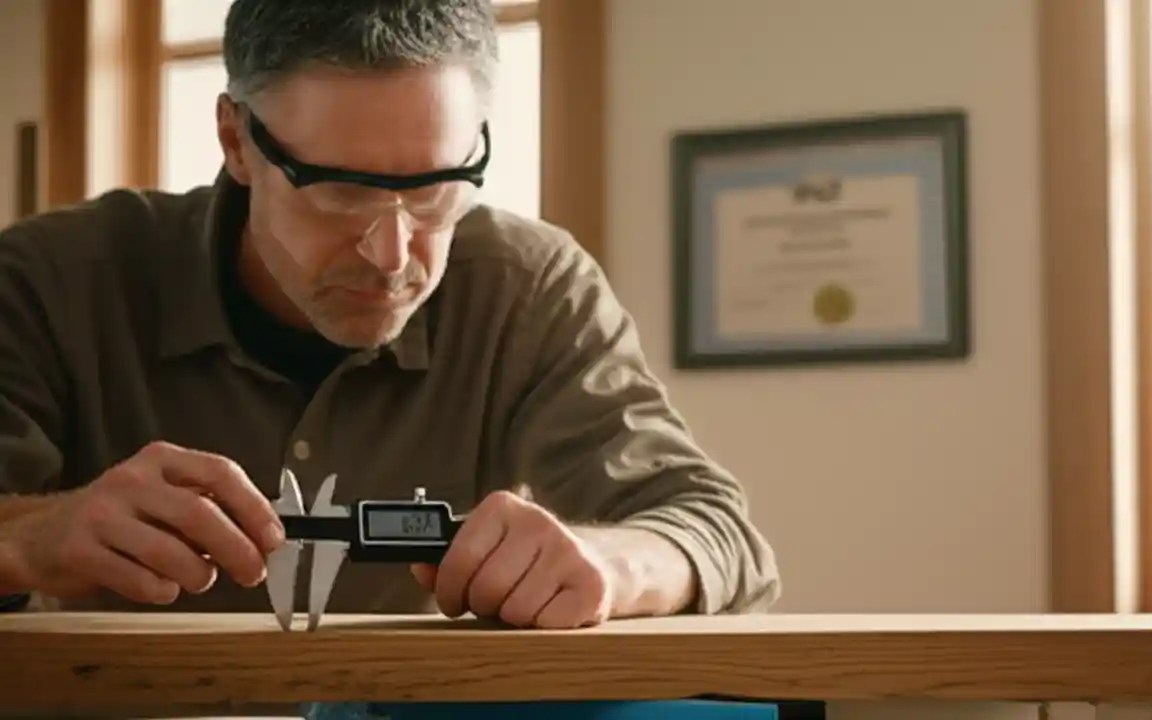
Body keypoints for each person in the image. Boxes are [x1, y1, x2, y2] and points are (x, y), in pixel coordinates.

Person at [0, 0, 780, 630]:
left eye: (438, 187)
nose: (392, 253)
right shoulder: (48, 280)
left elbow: (718, 535)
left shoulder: (528, 284)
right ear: (236, 141)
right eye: (339, 190)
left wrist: (609, 565)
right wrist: (30, 539)